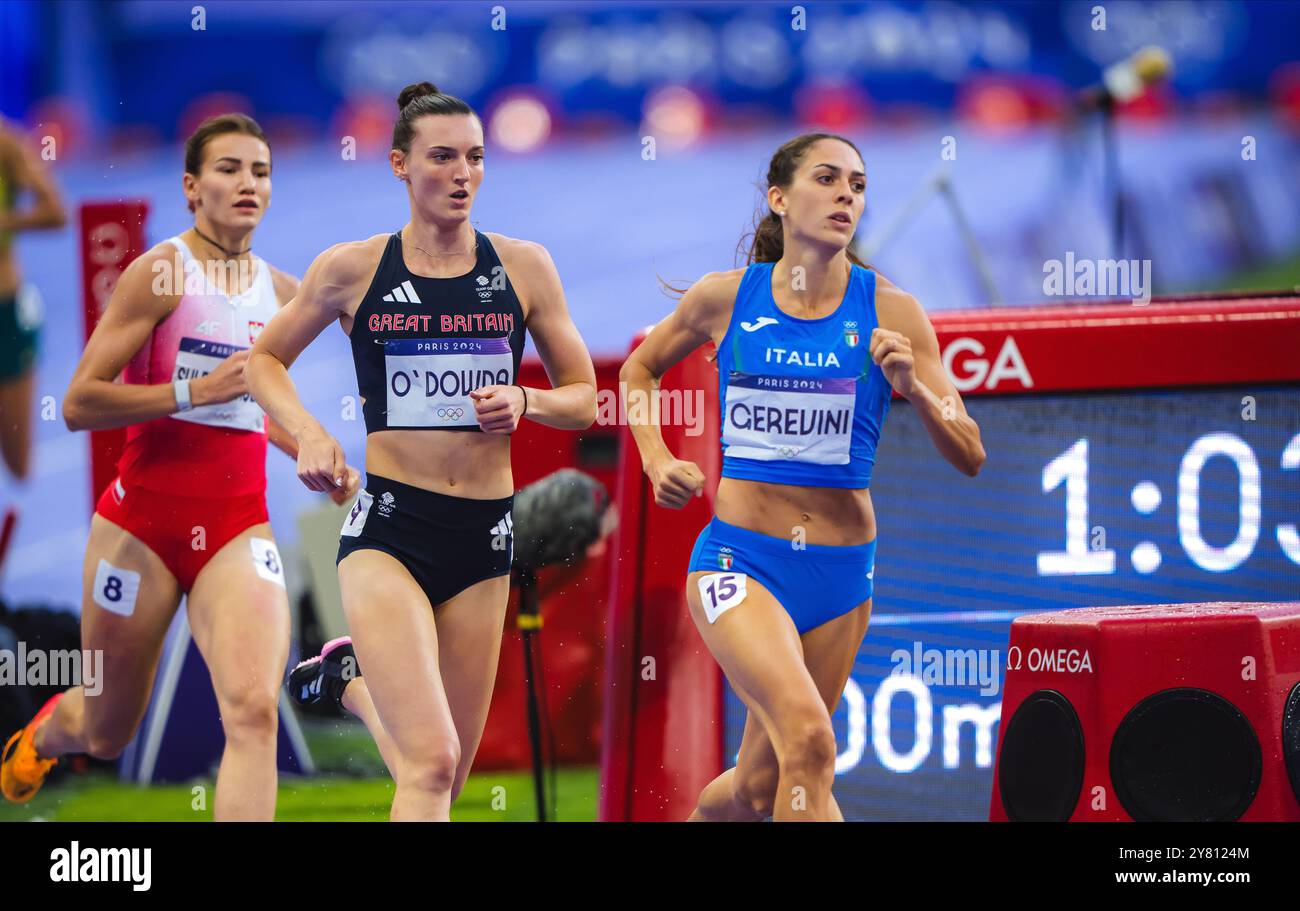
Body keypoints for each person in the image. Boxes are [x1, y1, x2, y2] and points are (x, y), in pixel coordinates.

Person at [246, 82, 597, 821]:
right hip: (390, 533)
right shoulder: (354, 269)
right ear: (400, 165)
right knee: (431, 761)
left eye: (474, 157)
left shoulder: (524, 268)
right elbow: (263, 361)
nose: (462, 173)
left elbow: (585, 395)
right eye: (442, 157)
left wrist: (528, 401)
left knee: (443, 772)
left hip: (484, 538)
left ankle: (350, 680)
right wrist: (308, 431)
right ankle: (354, 675)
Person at [620, 132, 986, 821]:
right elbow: (638, 370)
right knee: (812, 742)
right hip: (739, 561)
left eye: (858, 183)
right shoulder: (723, 300)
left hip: (842, 577)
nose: (847, 193)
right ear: (780, 198)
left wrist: (913, 387)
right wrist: (656, 454)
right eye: (828, 178)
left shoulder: (893, 312)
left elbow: (969, 451)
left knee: (759, 788)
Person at [1, 114, 319, 820]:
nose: (247, 184)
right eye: (229, 169)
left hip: (238, 526)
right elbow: (80, 402)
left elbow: (260, 410)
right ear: (190, 187)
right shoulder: (161, 272)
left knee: (252, 709)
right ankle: (42, 732)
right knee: (107, 730)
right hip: (140, 527)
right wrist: (191, 391)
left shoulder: (286, 295)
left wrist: (315, 449)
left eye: (260, 171)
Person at [0, 117, 67, 481]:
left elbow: (56, 212)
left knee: (18, 464)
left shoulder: (6, 142)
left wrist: (6, 221)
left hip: (7, 312)